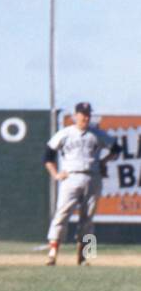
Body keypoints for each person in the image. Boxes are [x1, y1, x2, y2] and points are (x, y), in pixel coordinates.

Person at [43, 102, 121, 266]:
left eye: (88, 114)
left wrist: (104, 161)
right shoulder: (65, 133)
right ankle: (52, 254)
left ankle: (86, 256)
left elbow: (116, 148)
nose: (85, 117)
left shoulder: (97, 134)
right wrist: (55, 174)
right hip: (70, 177)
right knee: (62, 214)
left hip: (93, 177)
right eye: (83, 114)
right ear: (75, 115)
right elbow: (48, 156)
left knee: (89, 218)